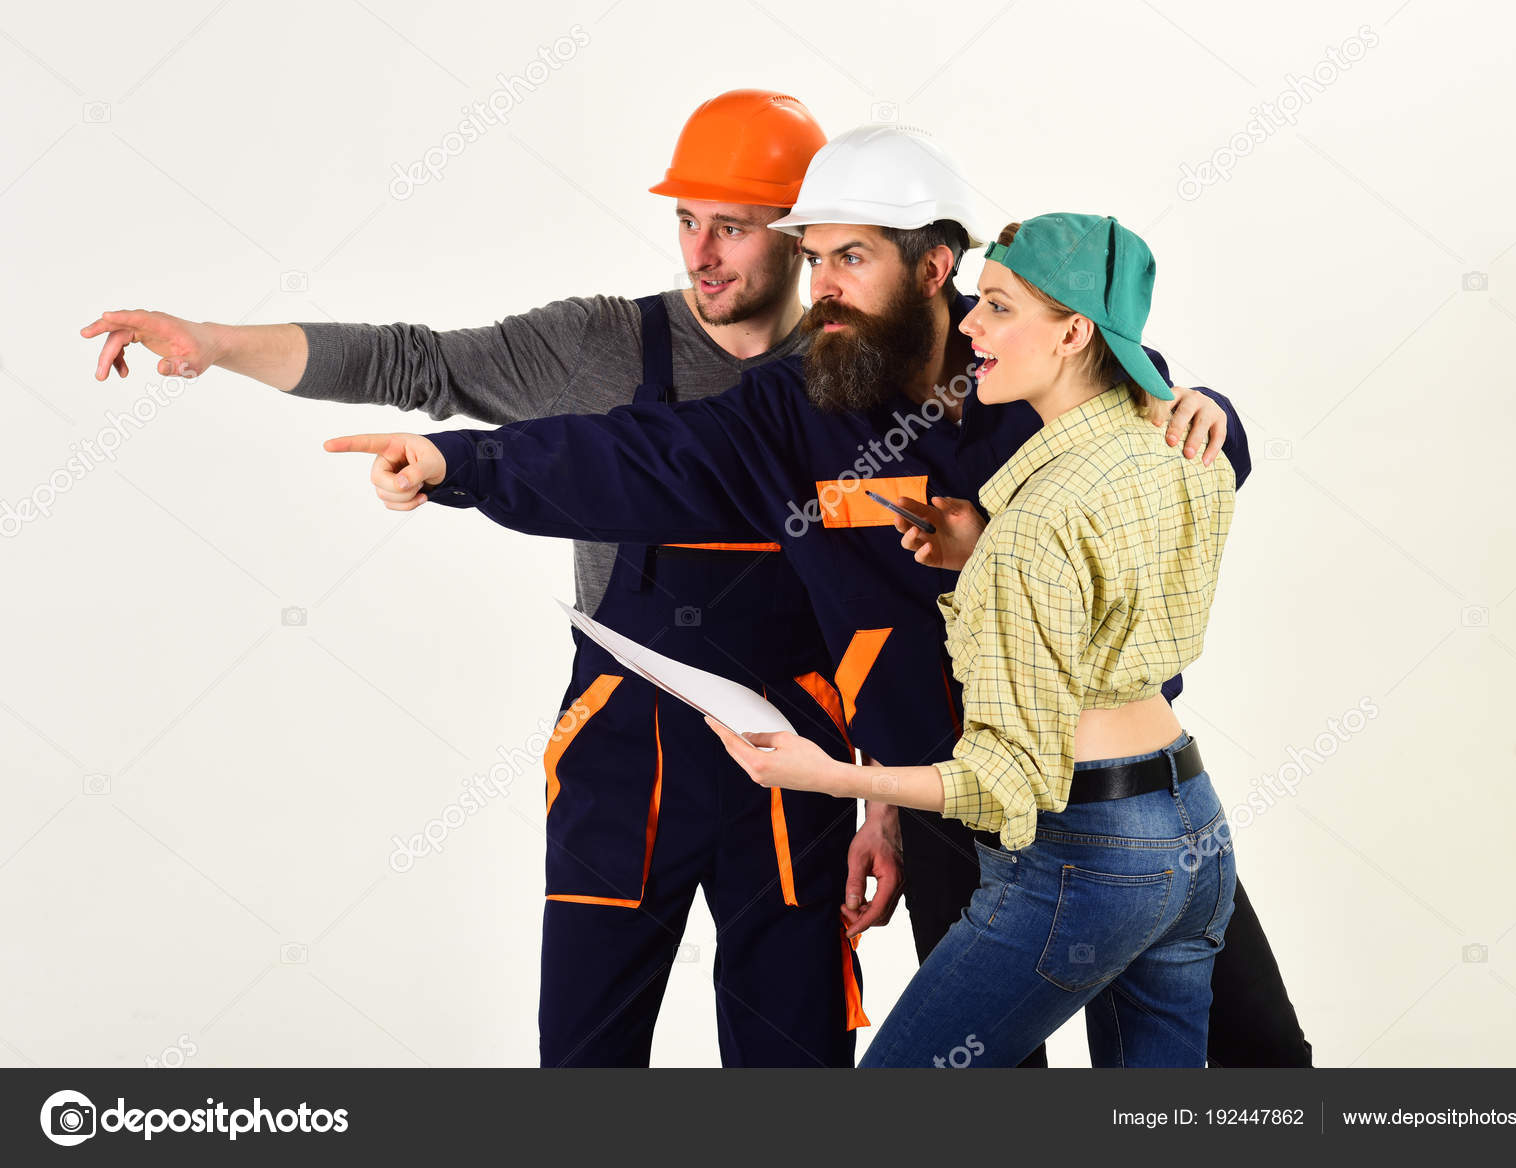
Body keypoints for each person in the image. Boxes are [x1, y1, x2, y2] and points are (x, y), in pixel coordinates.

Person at [322, 125, 1309, 1065]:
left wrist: (1211, 414)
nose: (821, 286)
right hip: (951, 803)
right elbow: (641, 456)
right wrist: (458, 463)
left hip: (1117, 789)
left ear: (933, 265)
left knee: (1253, 1060)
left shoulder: (1035, 358)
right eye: (814, 255)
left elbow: (1174, 446)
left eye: (851, 258)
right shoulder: (797, 407)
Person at [80, 90, 893, 1069]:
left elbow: (886, 601)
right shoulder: (599, 345)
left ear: (799, 236)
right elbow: (416, 361)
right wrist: (215, 343)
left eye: (733, 227)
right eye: (685, 221)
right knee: (585, 1059)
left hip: (799, 762)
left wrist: (883, 802)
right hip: (619, 758)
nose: (701, 253)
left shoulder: (863, 371)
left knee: (795, 1061)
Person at [707, 212, 1239, 1066]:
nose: (968, 325)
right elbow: (1111, 600)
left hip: (1085, 852)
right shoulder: (1187, 455)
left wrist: (828, 775)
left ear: (1072, 332)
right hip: (1191, 824)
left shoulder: (1036, 521)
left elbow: (1006, 784)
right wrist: (986, 550)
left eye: (995, 307)